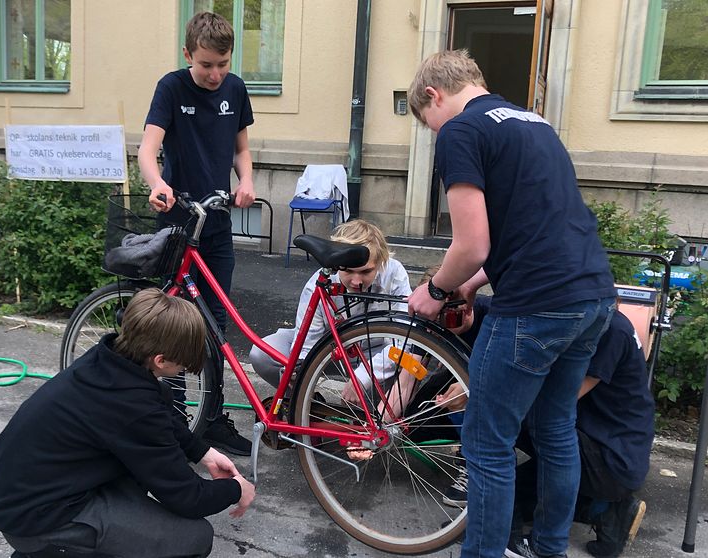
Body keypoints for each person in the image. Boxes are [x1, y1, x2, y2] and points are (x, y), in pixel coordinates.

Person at [406, 49, 617, 558]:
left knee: (486, 445)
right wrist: (474, 283)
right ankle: (548, 550)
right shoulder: (534, 122)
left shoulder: (461, 130)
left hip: (537, 305)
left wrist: (434, 290)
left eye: (427, 123)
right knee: (555, 430)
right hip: (592, 296)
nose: (435, 133)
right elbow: (527, 227)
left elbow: (471, 242)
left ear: (433, 96)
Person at [0, 289, 255, 558]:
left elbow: (160, 414)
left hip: (21, 491)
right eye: (183, 366)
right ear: (160, 360)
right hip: (36, 519)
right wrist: (236, 488)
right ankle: (49, 550)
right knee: (194, 538)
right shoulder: (132, 406)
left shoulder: (109, 358)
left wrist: (203, 452)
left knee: (139, 476)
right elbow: (188, 498)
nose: (184, 370)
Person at [138, 11, 256, 456]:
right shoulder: (171, 87)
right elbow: (148, 148)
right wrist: (157, 184)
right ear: (188, 54)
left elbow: (241, 149)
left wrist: (245, 180)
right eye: (206, 64)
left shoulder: (236, 88)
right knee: (175, 327)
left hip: (217, 221)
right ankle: (173, 418)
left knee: (215, 326)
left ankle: (212, 418)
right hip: (177, 219)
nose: (215, 74)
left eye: (222, 63)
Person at [507, 308, 653, 558]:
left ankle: (511, 537)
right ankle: (606, 512)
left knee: (510, 424)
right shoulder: (612, 322)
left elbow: (563, 400)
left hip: (609, 459)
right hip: (615, 450)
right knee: (518, 489)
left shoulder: (610, 332)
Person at [249, 219, 412, 401]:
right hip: (329, 350)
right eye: (348, 271)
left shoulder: (394, 273)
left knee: (406, 367)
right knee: (262, 353)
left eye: (366, 272)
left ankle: (366, 412)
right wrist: (300, 382)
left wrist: (364, 377)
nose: (356, 281)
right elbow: (307, 344)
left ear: (381, 261)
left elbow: (405, 340)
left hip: (376, 353)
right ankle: (307, 407)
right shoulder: (318, 283)